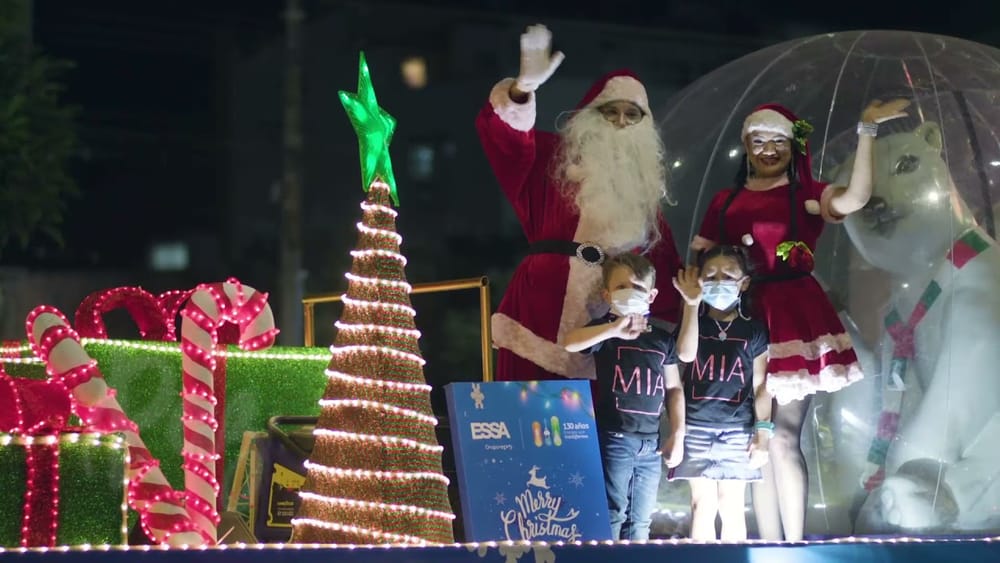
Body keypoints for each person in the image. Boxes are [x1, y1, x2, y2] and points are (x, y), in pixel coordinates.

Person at [691, 100, 909, 541]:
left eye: (778, 141)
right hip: (740, 315)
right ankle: (768, 542)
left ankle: (794, 543)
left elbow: (855, 198)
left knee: (785, 436)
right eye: (759, 141)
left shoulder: (805, 193)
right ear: (746, 146)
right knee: (756, 438)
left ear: (792, 146)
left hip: (793, 312)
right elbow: (701, 258)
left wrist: (866, 130)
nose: (768, 149)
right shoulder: (724, 199)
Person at [476, 24, 682, 383]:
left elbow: (662, 272)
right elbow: (507, 142)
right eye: (610, 111)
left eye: (632, 114)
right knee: (523, 423)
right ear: (590, 116)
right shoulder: (552, 159)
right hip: (538, 313)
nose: (620, 121)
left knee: (591, 429)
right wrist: (522, 89)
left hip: (608, 327)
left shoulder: (645, 193)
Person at [564, 253, 684, 541]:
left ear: (652, 294)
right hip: (615, 439)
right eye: (621, 287)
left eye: (639, 288)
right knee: (613, 512)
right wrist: (613, 328)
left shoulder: (661, 337)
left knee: (642, 519)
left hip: (651, 444)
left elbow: (674, 388)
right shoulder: (604, 331)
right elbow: (570, 342)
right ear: (607, 293)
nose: (631, 293)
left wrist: (678, 434)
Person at [669, 245, 772, 541]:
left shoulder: (753, 330)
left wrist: (762, 433)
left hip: (737, 431)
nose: (718, 280)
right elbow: (685, 356)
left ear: (745, 282)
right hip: (696, 429)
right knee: (702, 505)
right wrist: (690, 304)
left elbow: (761, 385)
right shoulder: (695, 322)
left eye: (728, 274)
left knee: (732, 505)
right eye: (710, 274)